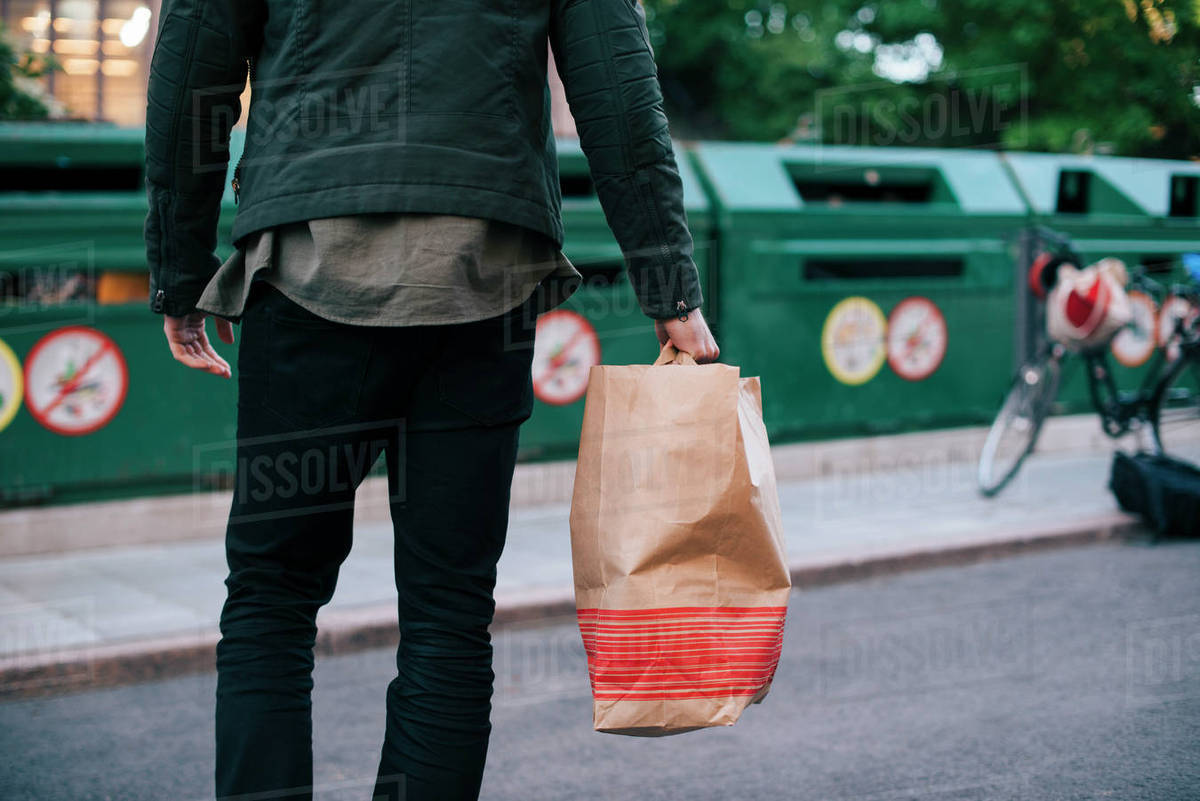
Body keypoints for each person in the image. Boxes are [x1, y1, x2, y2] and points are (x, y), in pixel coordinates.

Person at [144, 1, 718, 799]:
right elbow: (618, 89)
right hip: (484, 278)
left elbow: (194, 76)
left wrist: (178, 269)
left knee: (271, 598)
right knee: (449, 611)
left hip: (310, 265)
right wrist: (669, 288)